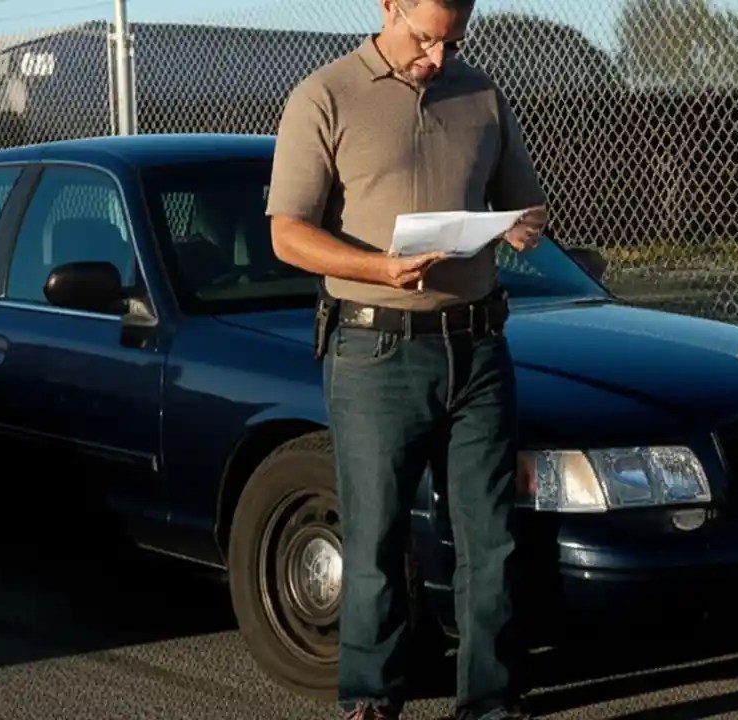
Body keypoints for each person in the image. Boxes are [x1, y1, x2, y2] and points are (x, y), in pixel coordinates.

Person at [266, 1, 547, 718]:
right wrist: (377, 269)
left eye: (453, 41)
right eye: (425, 38)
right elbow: (289, 235)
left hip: (479, 348)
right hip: (375, 348)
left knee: (492, 540)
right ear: (388, 5)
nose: (438, 58)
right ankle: (370, 697)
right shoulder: (323, 96)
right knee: (376, 535)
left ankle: (489, 702)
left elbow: (525, 205)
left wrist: (522, 227)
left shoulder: (481, 93)